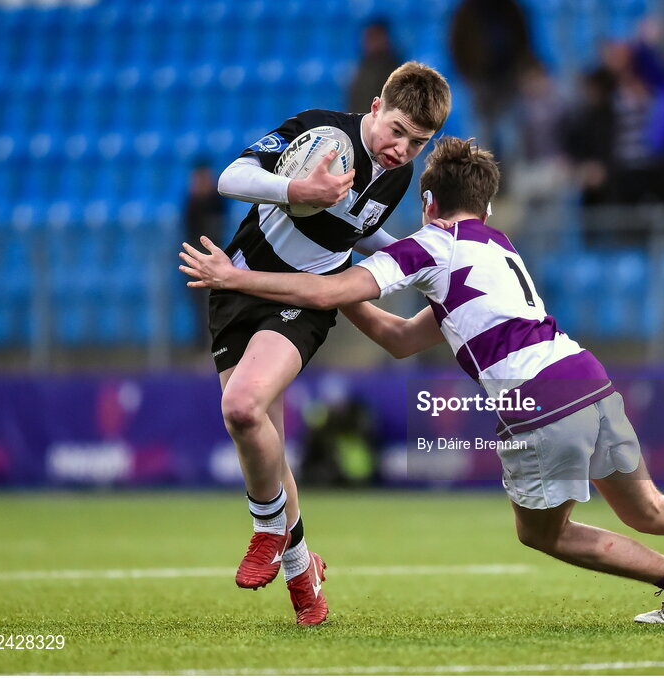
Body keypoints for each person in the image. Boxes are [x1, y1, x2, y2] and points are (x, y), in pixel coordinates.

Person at [180, 137, 664, 625]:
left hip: (533, 399)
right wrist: (343, 281)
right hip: (585, 374)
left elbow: (336, 292)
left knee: (542, 533)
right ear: (488, 205)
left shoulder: (429, 246)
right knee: (646, 504)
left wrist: (247, 277)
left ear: (426, 199)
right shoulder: (497, 247)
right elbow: (396, 336)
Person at [206, 61, 450, 626]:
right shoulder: (320, 130)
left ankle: (267, 526)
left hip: (304, 300)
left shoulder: (398, 176)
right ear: (374, 108)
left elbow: (356, 229)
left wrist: (418, 259)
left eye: (419, 142)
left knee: (243, 407)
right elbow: (230, 179)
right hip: (237, 282)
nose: (402, 149)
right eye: (397, 131)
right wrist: (300, 188)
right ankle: (303, 576)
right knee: (262, 441)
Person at [182, 160, 227, 349]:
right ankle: (203, 344)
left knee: (215, 303)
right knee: (199, 305)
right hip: (196, 258)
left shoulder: (216, 199)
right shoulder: (190, 201)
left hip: (215, 257)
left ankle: (217, 345)